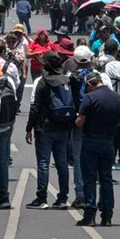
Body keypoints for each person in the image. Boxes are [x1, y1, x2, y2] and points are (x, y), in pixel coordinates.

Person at [26, 51, 74, 209]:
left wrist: (29, 128)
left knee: (43, 163)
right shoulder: (66, 80)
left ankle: (42, 198)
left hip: (45, 127)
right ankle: (63, 197)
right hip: (63, 126)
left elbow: (35, 107)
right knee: (62, 163)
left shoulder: (42, 81)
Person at [75, 70, 120, 227]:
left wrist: (77, 120)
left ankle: (90, 214)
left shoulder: (89, 98)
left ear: (90, 84)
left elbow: (80, 121)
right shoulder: (117, 97)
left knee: (89, 179)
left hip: (91, 141)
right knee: (106, 179)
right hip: (108, 142)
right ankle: (107, 215)